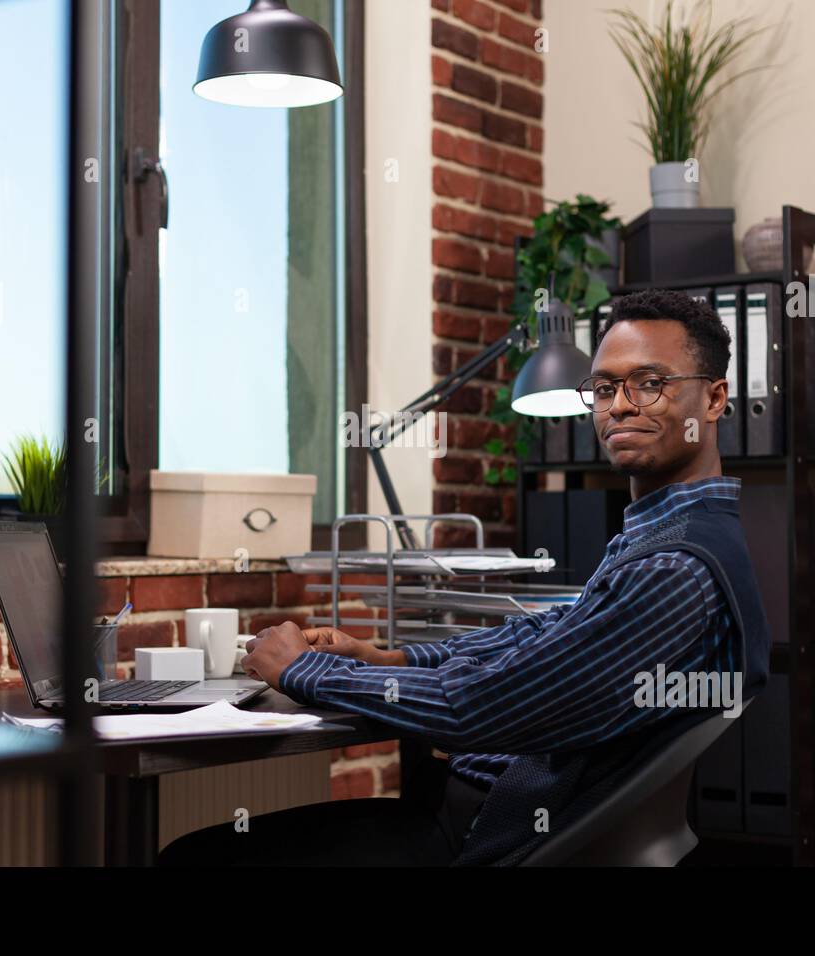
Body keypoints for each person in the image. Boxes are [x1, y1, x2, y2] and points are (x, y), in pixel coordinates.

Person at [158, 288, 770, 867]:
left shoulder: (672, 568)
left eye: (651, 383)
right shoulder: (674, 534)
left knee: (193, 857)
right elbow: (543, 637)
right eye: (605, 388)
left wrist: (302, 670)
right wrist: (391, 658)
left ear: (714, 400)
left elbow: (483, 706)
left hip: (485, 836)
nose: (621, 405)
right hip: (490, 813)